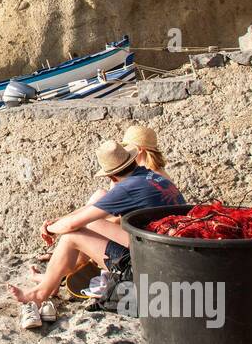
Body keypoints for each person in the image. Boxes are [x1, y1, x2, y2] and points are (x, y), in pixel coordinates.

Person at [9, 139, 184, 329]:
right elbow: (89, 216)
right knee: (89, 224)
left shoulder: (127, 189)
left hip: (149, 269)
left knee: (72, 236)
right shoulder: (153, 178)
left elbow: (72, 225)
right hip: (169, 258)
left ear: (111, 177)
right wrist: (60, 222)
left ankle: (39, 294)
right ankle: (54, 278)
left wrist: (49, 229)